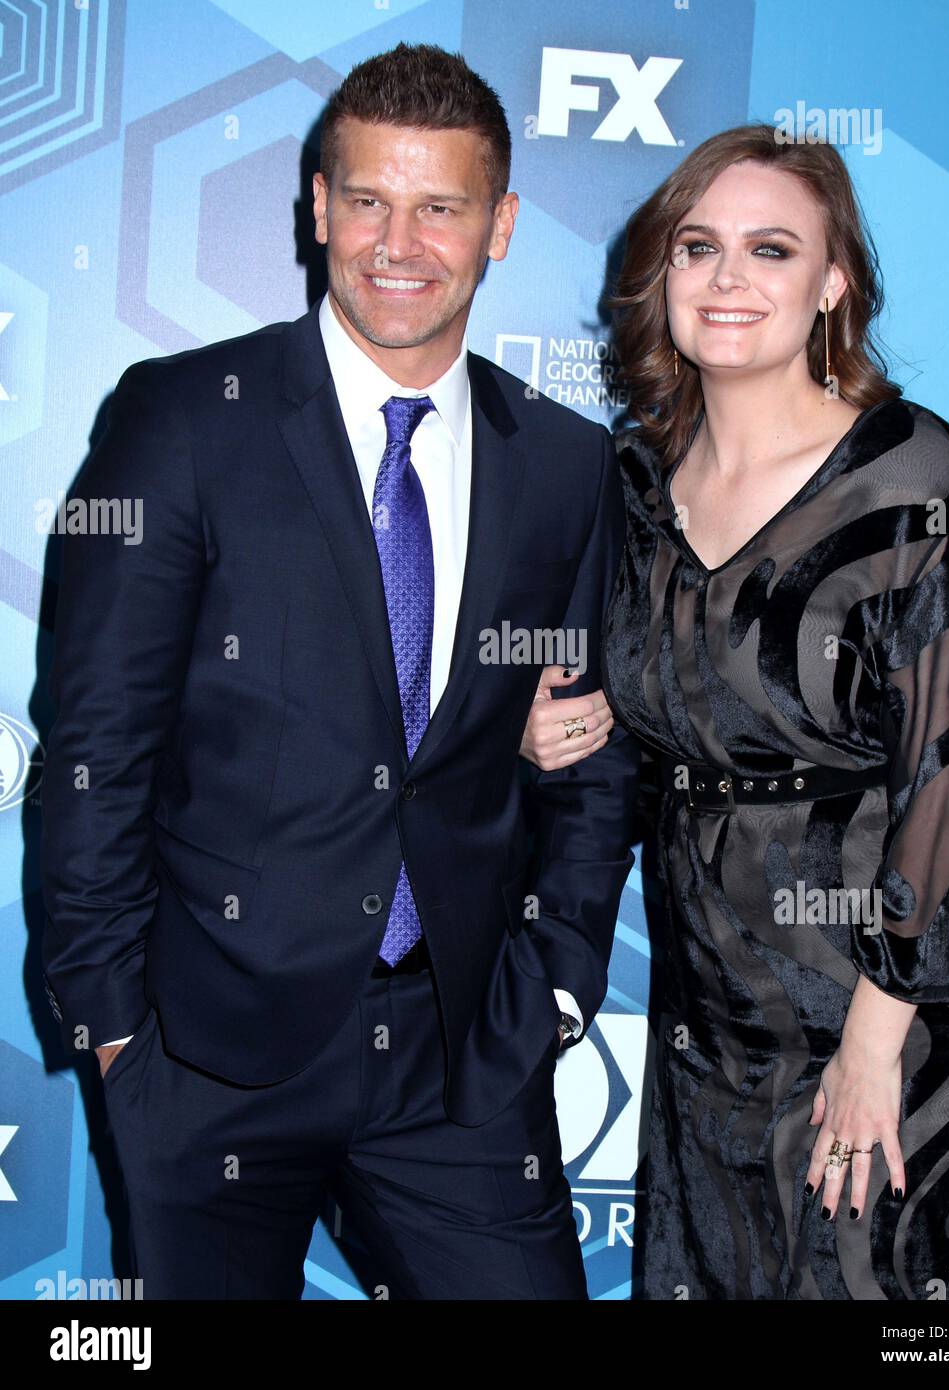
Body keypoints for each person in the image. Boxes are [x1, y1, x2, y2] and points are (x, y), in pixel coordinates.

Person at [40, 42, 641, 1300]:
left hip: (459, 1049)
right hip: (206, 1055)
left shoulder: (566, 466)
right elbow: (96, 743)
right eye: (366, 198)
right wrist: (114, 1036)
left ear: (503, 226)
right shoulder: (186, 418)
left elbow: (589, 753)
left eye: (441, 206)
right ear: (317, 206)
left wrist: (559, 993)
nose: (397, 241)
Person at [521, 123, 949, 1300]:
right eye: (699, 247)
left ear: (832, 285)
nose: (727, 279)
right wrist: (537, 724)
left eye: (770, 249)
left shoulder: (912, 477)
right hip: (713, 1005)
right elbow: (633, 700)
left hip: (895, 999)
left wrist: (875, 1039)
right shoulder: (636, 482)